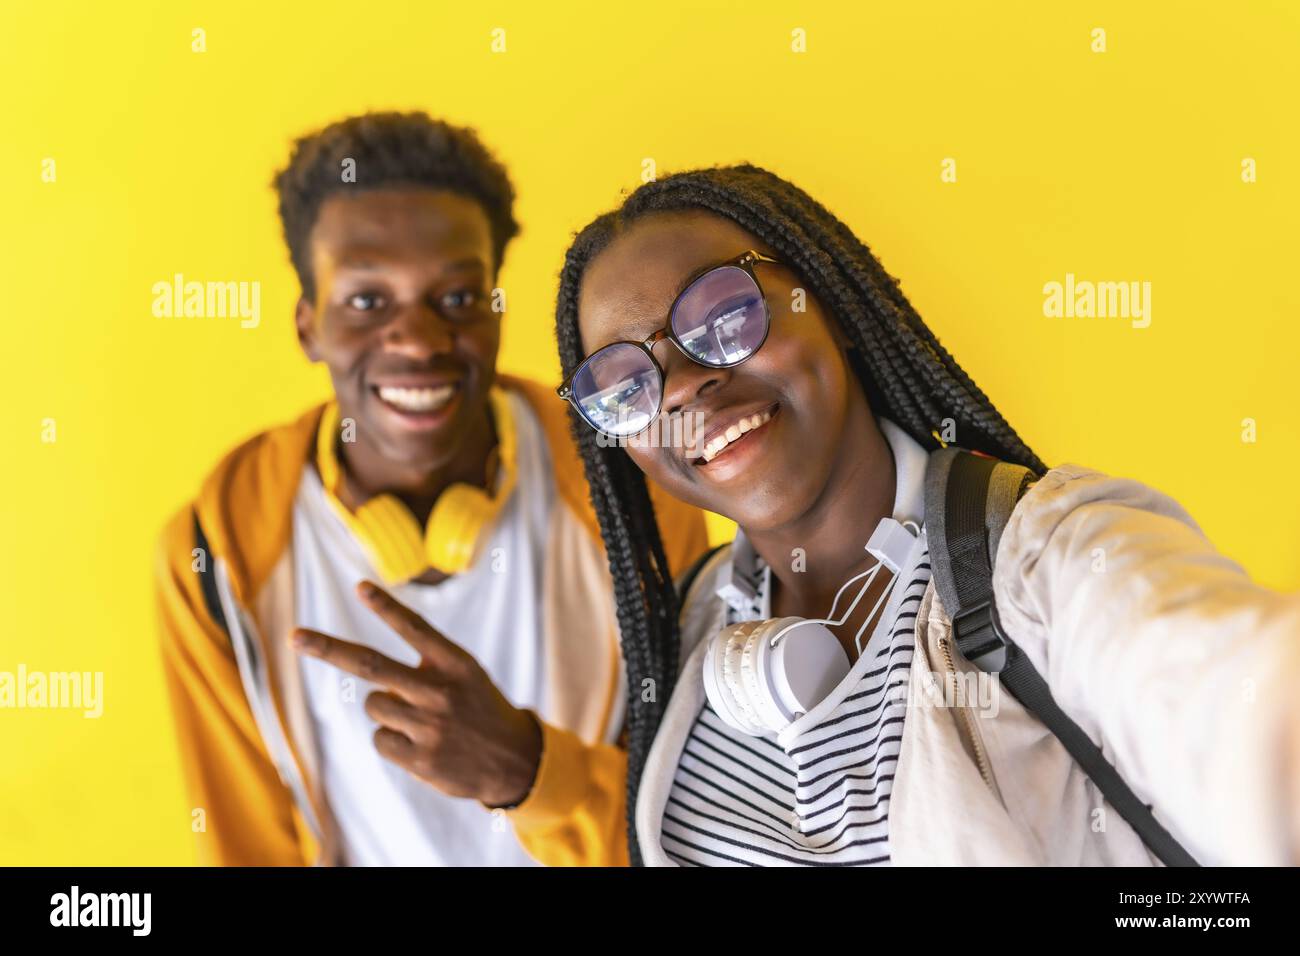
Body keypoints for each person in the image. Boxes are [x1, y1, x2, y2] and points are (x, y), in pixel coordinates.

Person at [547, 164, 1300, 866]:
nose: (679, 388)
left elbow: (1244, 694)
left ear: (829, 304)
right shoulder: (690, 626)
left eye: (724, 316)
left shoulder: (1045, 562)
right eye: (622, 386)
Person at [153, 112, 707, 866]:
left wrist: (528, 773)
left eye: (455, 299)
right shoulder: (215, 554)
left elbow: (688, 822)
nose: (417, 342)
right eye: (366, 301)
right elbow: (243, 846)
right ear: (308, 326)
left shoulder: (634, 484)